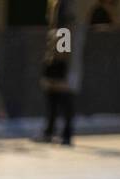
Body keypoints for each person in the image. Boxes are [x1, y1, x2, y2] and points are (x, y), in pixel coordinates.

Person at [40, 0, 89, 145]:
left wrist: (53, 64)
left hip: (63, 69)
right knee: (58, 99)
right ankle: (55, 132)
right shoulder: (66, 26)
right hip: (65, 68)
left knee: (62, 100)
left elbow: (62, 50)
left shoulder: (64, 27)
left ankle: (62, 134)